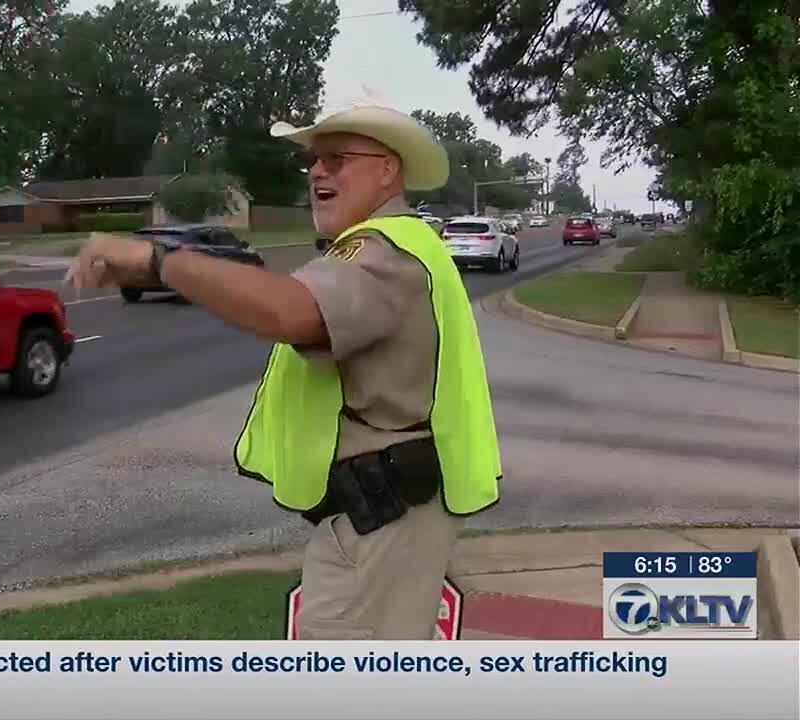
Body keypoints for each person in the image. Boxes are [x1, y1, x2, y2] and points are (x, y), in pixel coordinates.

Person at [64, 99, 502, 640]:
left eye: (337, 158)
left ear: (388, 170)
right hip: (375, 515)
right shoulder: (388, 245)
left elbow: (293, 312)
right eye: (313, 160)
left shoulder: (387, 249)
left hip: (381, 520)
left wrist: (158, 260)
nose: (317, 171)